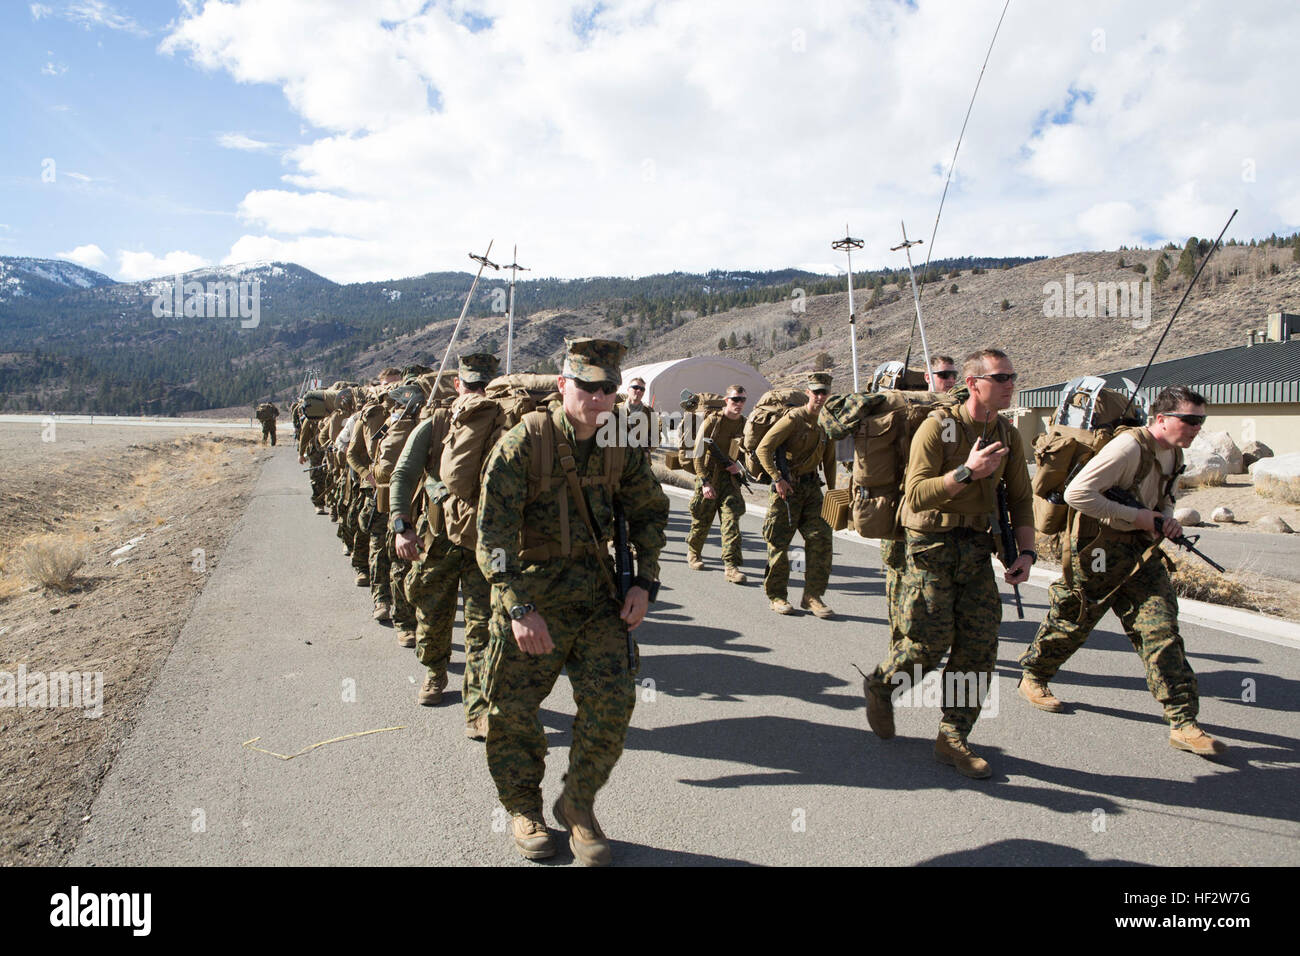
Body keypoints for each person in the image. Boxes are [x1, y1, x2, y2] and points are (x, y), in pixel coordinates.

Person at [476, 338, 668, 865]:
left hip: (598, 594)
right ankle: (523, 809)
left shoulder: (620, 445)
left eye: (609, 388)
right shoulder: (525, 443)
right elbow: (490, 537)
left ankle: (577, 804)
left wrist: (643, 582)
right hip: (533, 598)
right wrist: (517, 607)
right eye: (587, 386)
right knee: (513, 711)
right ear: (564, 385)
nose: (600, 397)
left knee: (612, 705)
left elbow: (650, 513)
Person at [1018, 386, 1226, 757]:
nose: (1197, 428)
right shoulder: (1129, 447)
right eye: (1190, 420)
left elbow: (1164, 497)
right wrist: (1137, 516)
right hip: (1098, 549)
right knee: (1073, 620)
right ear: (1161, 419)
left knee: (1161, 631)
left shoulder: (1174, 453)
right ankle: (1034, 676)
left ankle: (1183, 721)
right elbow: (1077, 494)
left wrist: (1164, 519)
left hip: (1141, 553)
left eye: (1201, 421)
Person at [863, 348, 1035, 779]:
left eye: (1012, 376)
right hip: (929, 545)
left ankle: (953, 735)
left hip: (976, 546)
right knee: (927, 643)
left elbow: (1020, 498)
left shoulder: (1009, 434)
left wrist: (1026, 552)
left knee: (979, 644)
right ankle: (881, 686)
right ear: (974, 384)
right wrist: (967, 473)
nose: (1010, 383)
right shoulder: (936, 427)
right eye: (1001, 377)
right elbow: (915, 495)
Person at [393, 354, 501, 738]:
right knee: (433, 610)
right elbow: (403, 473)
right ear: (457, 385)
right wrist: (401, 525)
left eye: (481, 385)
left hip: (480, 542)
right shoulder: (436, 422)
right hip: (438, 537)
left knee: (482, 625)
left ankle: (477, 707)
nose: (475, 392)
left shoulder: (502, 422)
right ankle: (435, 673)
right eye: (472, 385)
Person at [880, 356, 959, 649]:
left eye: (953, 374)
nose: (949, 379)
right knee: (901, 576)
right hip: (903, 504)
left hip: (940, 509)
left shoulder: (954, 411)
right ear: (928, 376)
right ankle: (899, 643)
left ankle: (929, 637)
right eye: (943, 374)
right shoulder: (907, 408)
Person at [755, 372, 837, 618]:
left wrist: (833, 491)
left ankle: (812, 596)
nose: (821, 397)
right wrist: (777, 478)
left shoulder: (826, 422)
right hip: (787, 489)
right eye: (817, 392)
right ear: (809, 393)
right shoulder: (794, 419)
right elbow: (763, 449)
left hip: (812, 489)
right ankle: (777, 595)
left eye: (825, 392)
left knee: (821, 539)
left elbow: (830, 460)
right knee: (780, 543)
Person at [685, 384, 749, 583]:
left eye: (742, 400)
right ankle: (694, 552)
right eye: (735, 399)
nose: (738, 404)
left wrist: (739, 468)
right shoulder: (713, 421)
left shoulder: (745, 424)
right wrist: (704, 482)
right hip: (709, 476)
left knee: (731, 521)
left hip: (730, 480)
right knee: (702, 520)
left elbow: (748, 454)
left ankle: (731, 566)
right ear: (726, 401)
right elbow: (697, 454)